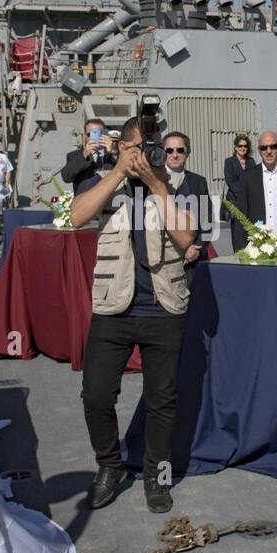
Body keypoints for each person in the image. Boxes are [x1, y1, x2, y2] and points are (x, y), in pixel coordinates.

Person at [70, 117, 196, 513]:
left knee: (162, 399)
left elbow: (187, 235)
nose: (145, 156)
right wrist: (119, 172)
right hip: (113, 304)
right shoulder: (103, 179)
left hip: (164, 305)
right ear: (123, 148)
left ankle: (157, 474)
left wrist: (157, 184)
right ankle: (110, 466)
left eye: (150, 147)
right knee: (96, 394)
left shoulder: (176, 184)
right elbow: (77, 216)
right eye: (137, 148)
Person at [162, 131, 211, 265]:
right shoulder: (154, 180)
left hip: (194, 257)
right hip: (163, 258)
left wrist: (197, 247)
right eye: (170, 150)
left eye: (180, 150)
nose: (175, 155)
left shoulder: (199, 181)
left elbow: (207, 218)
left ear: (187, 153)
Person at [61, 116, 113, 193]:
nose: (95, 138)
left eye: (99, 134)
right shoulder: (74, 155)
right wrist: (84, 155)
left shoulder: (113, 155)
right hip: (84, 201)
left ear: (105, 135)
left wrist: (113, 153)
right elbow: (67, 177)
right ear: (85, 136)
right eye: (90, 134)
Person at [223, 134, 256, 201]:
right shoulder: (229, 162)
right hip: (234, 199)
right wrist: (242, 193)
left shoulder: (251, 161)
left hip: (249, 198)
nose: (243, 148)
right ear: (236, 147)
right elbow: (230, 181)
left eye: (245, 146)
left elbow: (254, 180)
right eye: (240, 146)